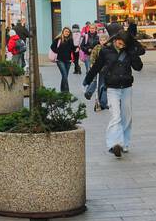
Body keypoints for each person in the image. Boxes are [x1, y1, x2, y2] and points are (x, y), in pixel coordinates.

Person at [85, 21, 145, 158]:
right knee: (116, 116)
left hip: (126, 87)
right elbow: (96, 67)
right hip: (111, 88)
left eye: (124, 44)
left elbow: (139, 67)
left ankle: (125, 142)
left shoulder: (128, 52)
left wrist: (132, 52)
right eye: (119, 43)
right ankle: (114, 143)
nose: (121, 45)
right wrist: (87, 81)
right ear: (115, 40)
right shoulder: (105, 51)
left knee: (127, 117)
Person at [50, 27, 75, 93]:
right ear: (63, 32)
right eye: (66, 31)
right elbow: (52, 47)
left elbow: (72, 49)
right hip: (60, 60)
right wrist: (58, 51)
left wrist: (76, 48)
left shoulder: (70, 40)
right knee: (64, 75)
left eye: (68, 32)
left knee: (65, 75)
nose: (67, 33)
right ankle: (67, 91)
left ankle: (62, 91)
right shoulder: (58, 39)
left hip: (68, 60)